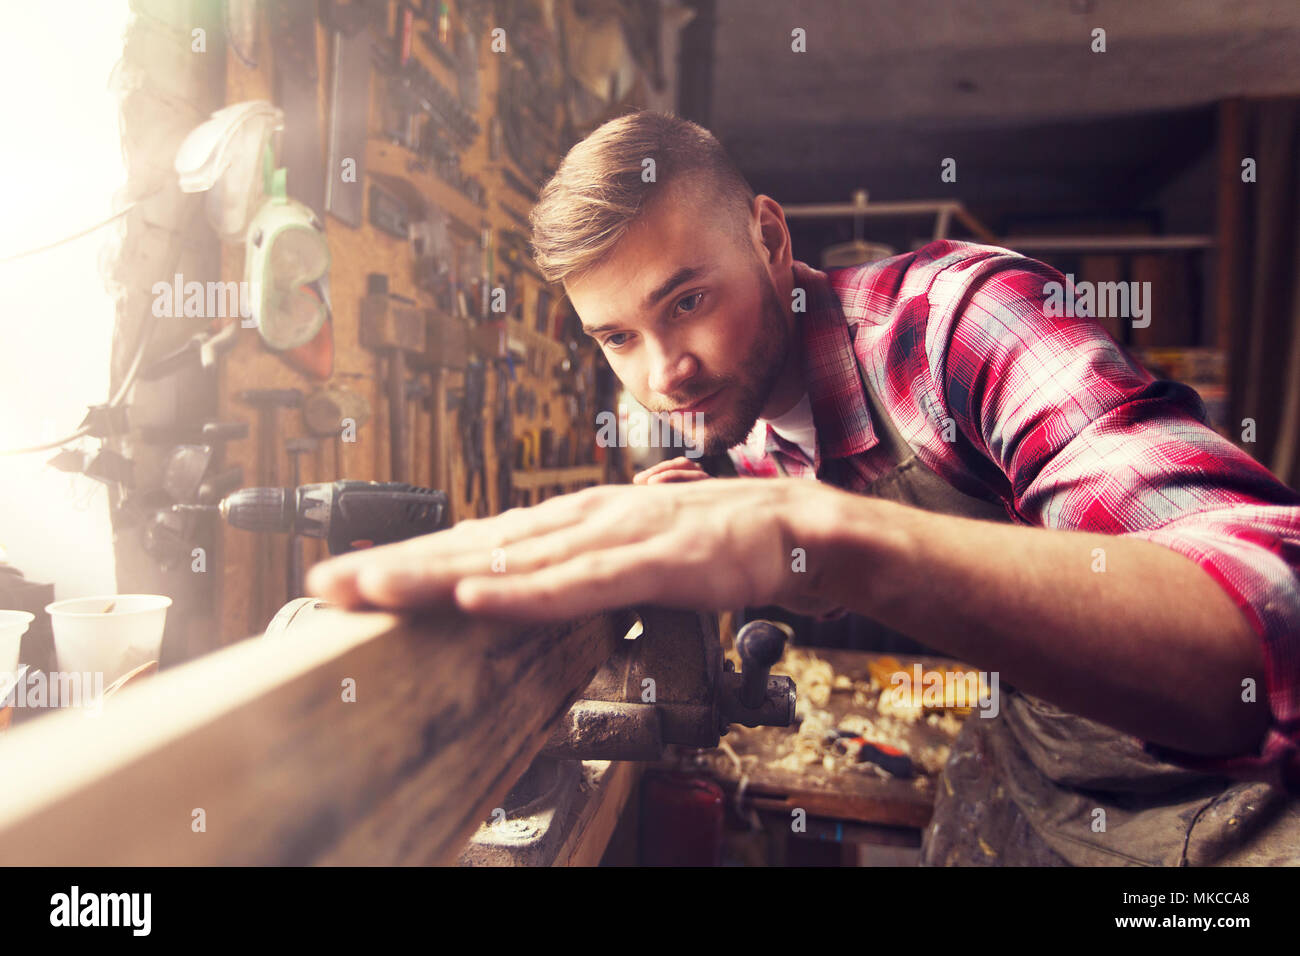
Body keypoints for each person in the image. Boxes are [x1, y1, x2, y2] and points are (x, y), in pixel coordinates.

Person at [307, 111, 1300, 864]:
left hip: (1249, 807)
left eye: (688, 302)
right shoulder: (747, 432)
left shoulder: (959, 326)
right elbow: (731, 489)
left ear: (771, 241)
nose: (665, 374)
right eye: (617, 338)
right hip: (1048, 765)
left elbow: (1266, 611)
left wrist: (826, 535)